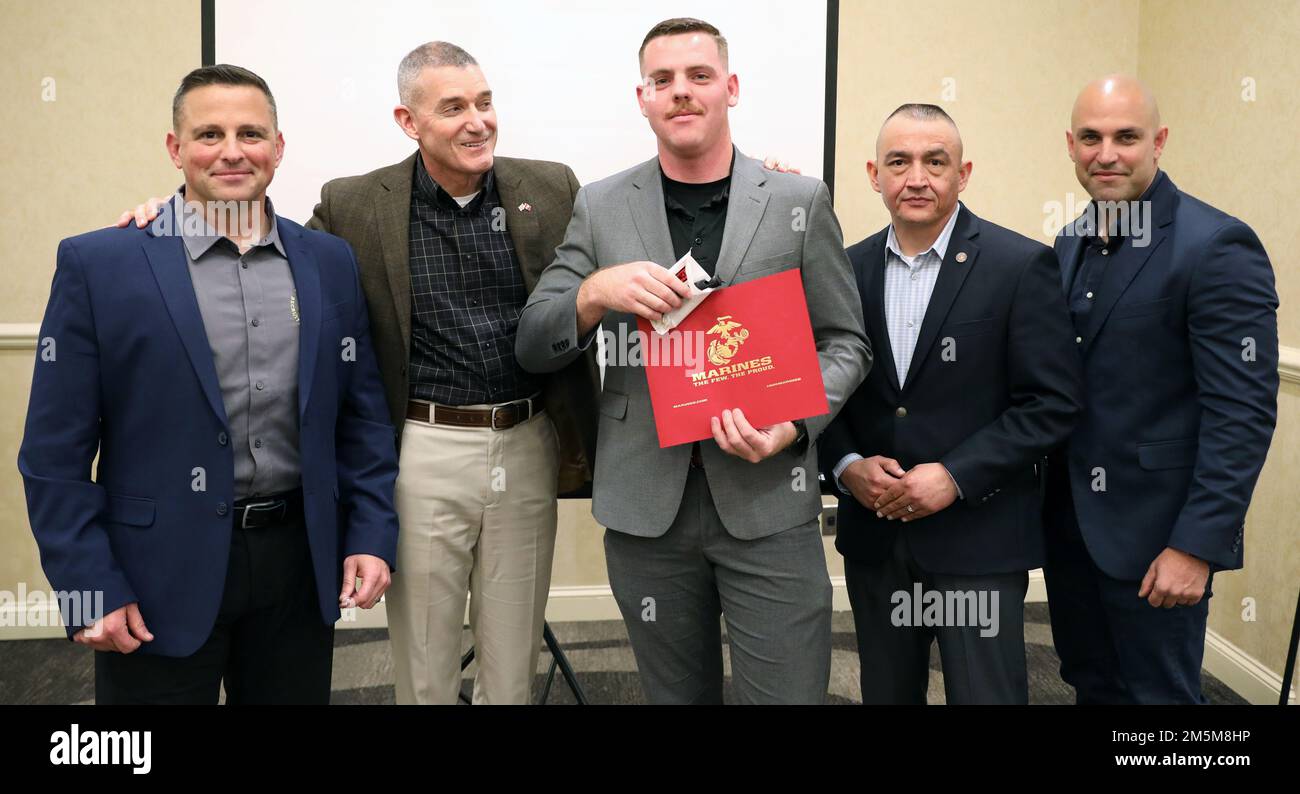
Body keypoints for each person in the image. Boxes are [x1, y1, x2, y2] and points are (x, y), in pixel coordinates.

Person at [120, 43, 600, 705]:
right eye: (453, 107)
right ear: (409, 121)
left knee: (511, 663)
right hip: (424, 448)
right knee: (425, 663)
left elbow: (616, 256)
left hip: (528, 442)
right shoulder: (355, 205)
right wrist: (166, 217)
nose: (477, 121)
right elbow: (272, 246)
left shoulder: (551, 188)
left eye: (485, 103)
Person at [516, 18, 870, 704]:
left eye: (699, 76)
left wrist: (793, 425)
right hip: (648, 509)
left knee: (789, 695)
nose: (681, 93)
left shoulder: (799, 201)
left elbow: (845, 342)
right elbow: (535, 340)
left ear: (730, 88)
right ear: (642, 98)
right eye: (663, 81)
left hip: (769, 500)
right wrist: (594, 293)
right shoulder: (600, 205)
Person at [19, 64, 399, 704]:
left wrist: (370, 534)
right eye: (208, 134)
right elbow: (53, 456)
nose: (231, 151)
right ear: (175, 148)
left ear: (278, 148)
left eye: (251, 133)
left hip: (297, 571)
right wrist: (89, 586)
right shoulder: (102, 264)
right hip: (152, 576)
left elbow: (361, 420)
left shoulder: (330, 263)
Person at [819, 104, 1081, 704]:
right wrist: (845, 465)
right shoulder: (844, 268)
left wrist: (955, 476)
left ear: (963, 174)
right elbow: (820, 393)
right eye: (899, 161)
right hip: (876, 536)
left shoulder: (1020, 265)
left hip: (980, 538)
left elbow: (1052, 403)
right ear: (873, 174)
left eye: (935, 161)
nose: (916, 177)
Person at [1043, 75, 1278, 704]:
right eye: (1090, 138)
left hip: (1158, 540)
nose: (1107, 153)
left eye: (1127, 136)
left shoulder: (1216, 245)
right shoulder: (1067, 243)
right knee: (1090, 684)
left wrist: (1195, 547)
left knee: (1161, 702)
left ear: (1159, 141)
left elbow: (1243, 414)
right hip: (1072, 533)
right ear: (1071, 145)